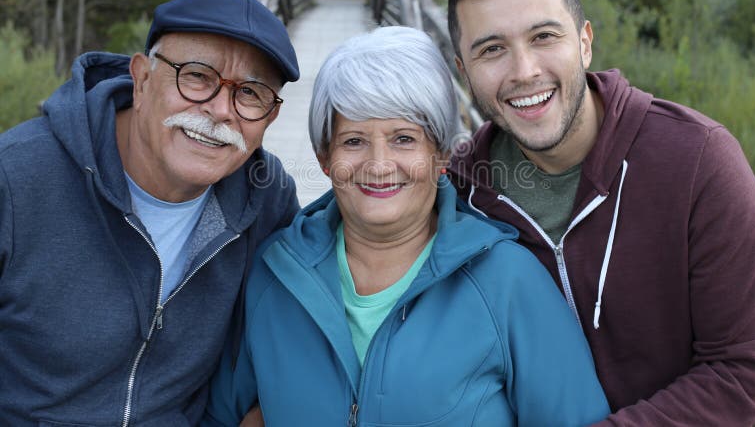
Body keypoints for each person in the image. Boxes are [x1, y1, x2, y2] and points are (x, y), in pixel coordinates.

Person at [445, 0, 755, 425]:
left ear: (585, 42)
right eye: (492, 49)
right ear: (463, 72)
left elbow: (744, 370)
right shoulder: (460, 190)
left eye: (544, 36)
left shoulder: (697, 160)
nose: (524, 71)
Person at [203, 26, 610, 426]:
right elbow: (221, 416)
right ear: (324, 157)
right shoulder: (274, 276)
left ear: (442, 154)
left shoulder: (509, 283)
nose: (379, 166)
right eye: (354, 141)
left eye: (403, 139)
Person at [0, 0, 301, 425]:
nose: (220, 110)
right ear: (141, 79)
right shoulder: (16, 178)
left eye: (250, 93)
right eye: (197, 76)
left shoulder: (266, 198)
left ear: (270, 118)